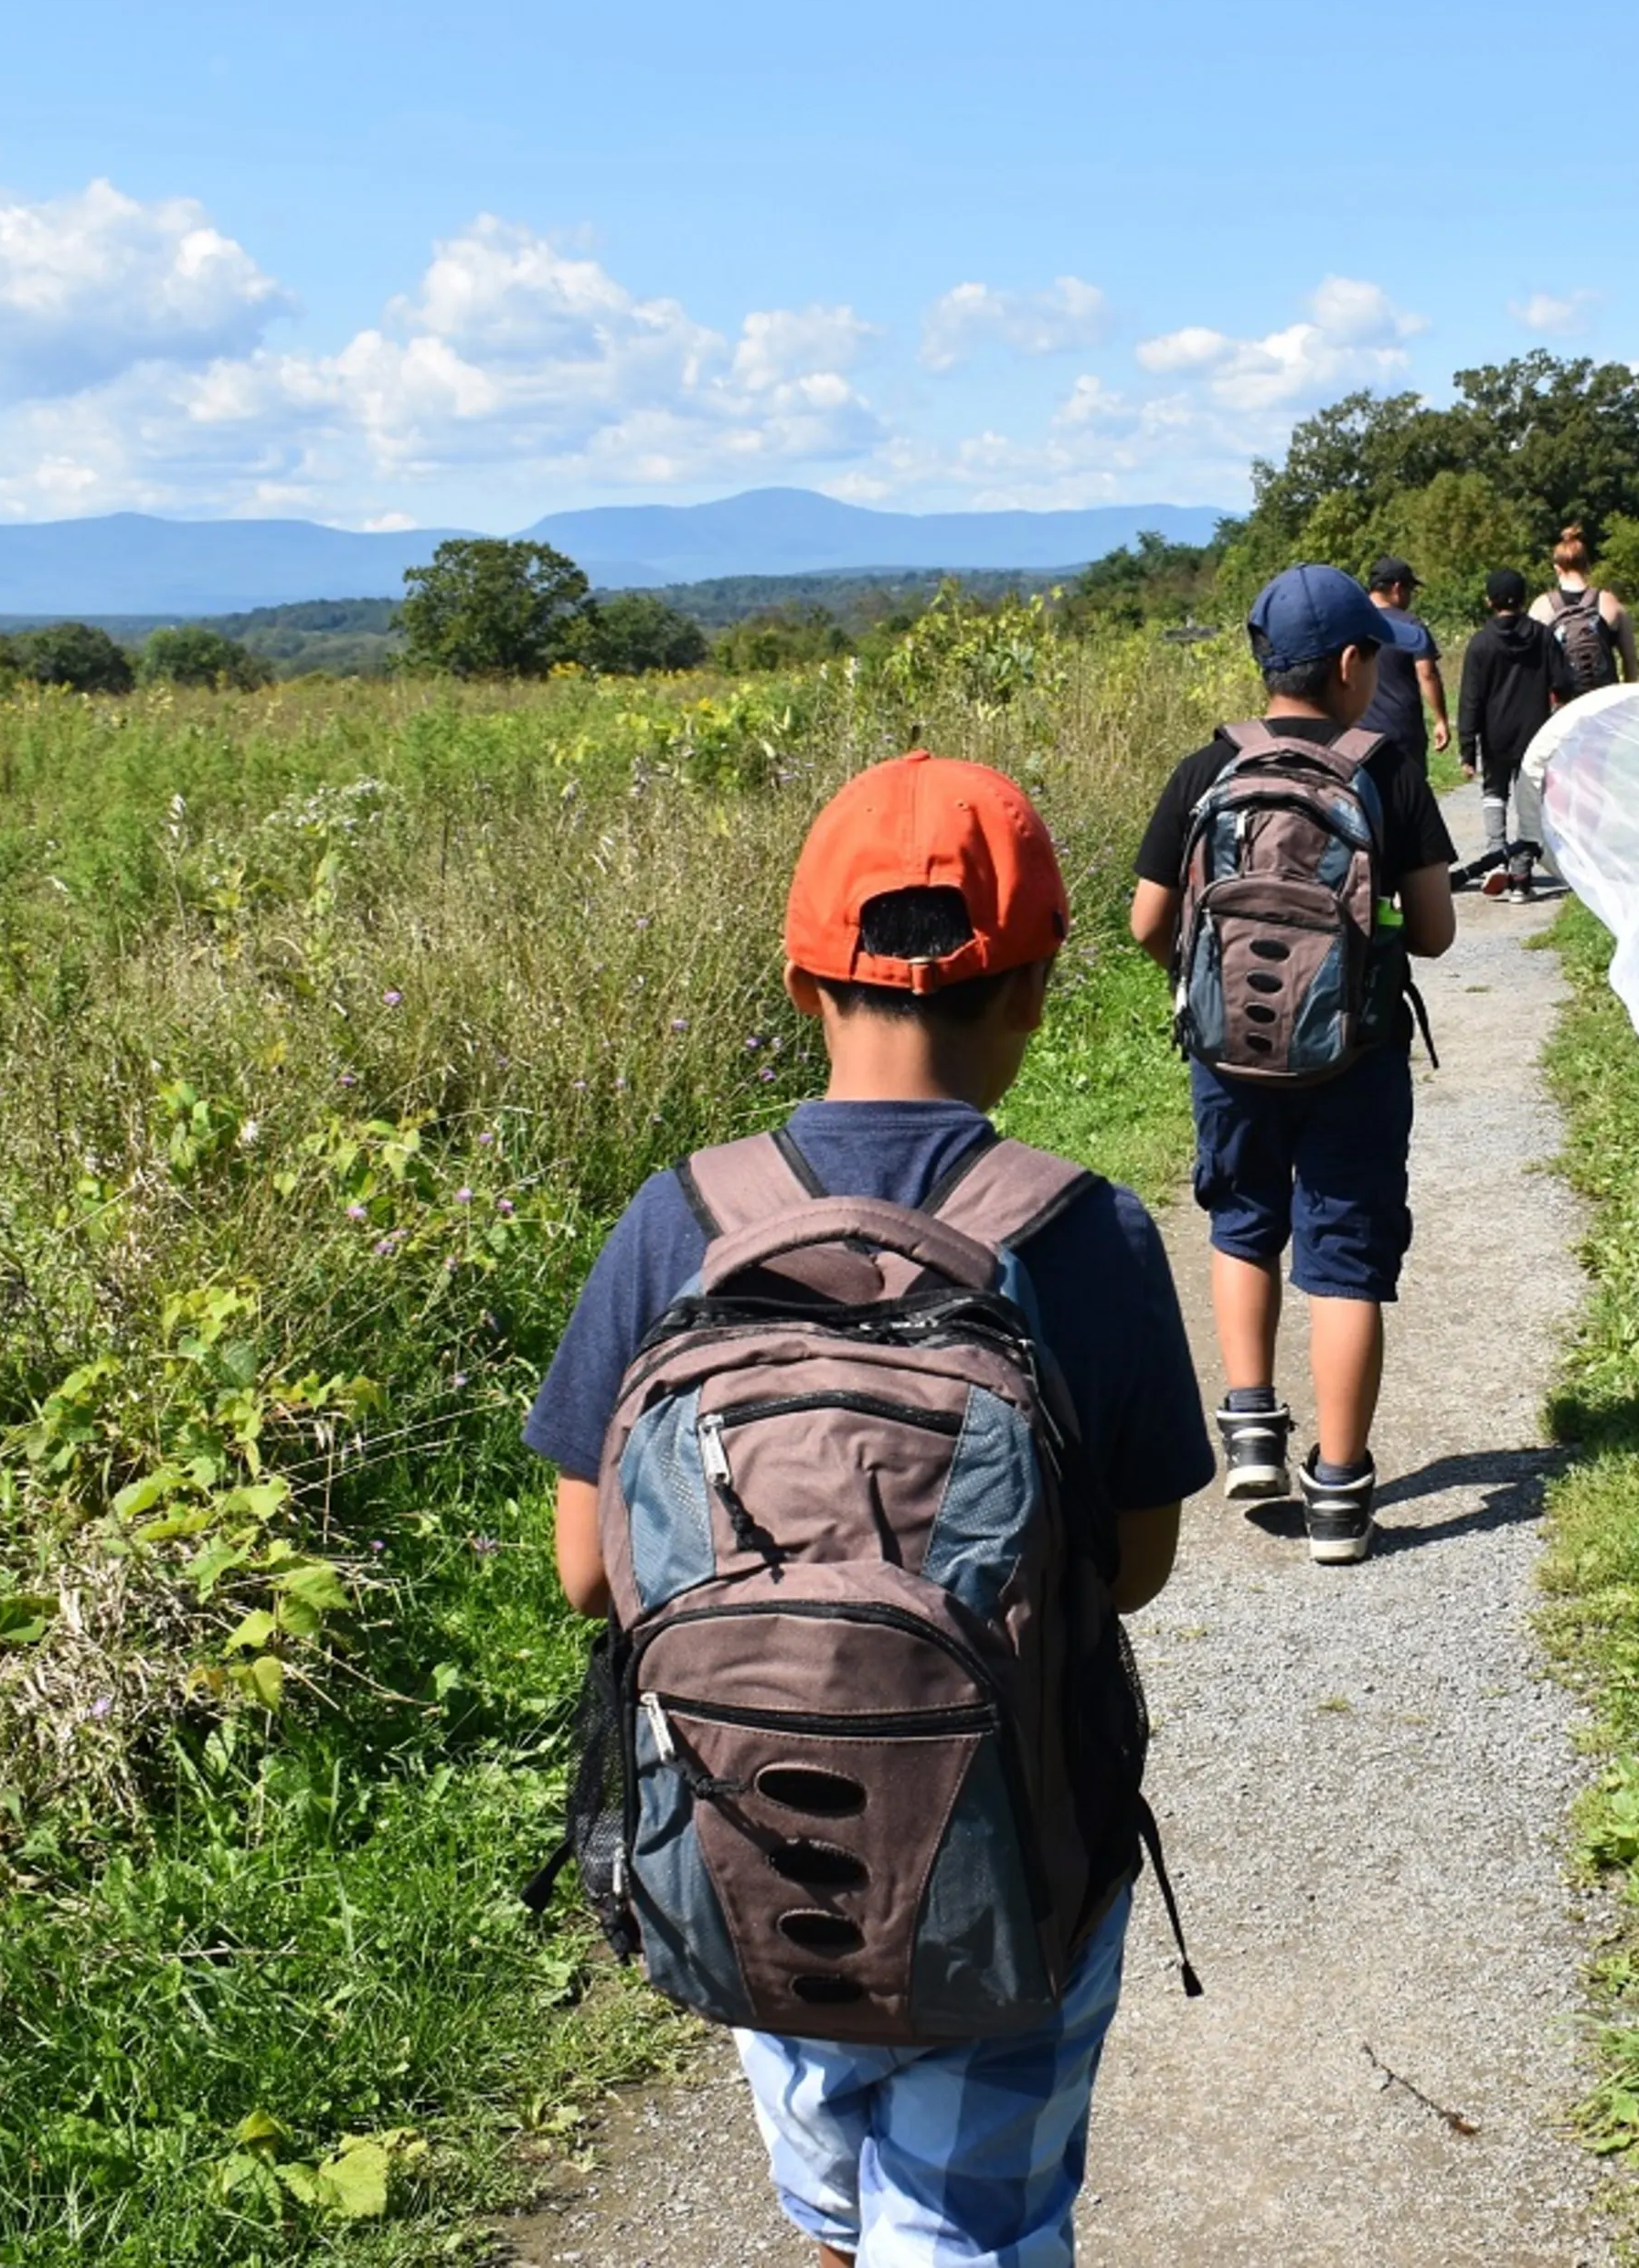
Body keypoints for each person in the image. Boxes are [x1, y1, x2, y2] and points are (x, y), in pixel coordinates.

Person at [529, 751, 1211, 2268]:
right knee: (968, 2232)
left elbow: (587, 1569)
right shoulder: (1085, 1230)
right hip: (1009, 1856)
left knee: (829, 2201)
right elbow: (1135, 1567)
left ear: (798, 984)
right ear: (1033, 991)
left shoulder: (679, 1218)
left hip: (747, 1843)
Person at [1129, 564, 1457, 1565]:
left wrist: (1210, 985)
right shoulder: (1386, 770)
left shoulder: (1206, 767)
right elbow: (1435, 931)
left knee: (1242, 1223)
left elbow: (1147, 921)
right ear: (1353, 662)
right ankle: (1341, 1498)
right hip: (1355, 1056)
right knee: (1346, 1257)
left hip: (1229, 1054)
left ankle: (1251, 1428)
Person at [1453, 564, 1581, 876]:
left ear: (1489, 601)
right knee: (1530, 799)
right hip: (1535, 734)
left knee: (1494, 794)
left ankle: (1496, 859)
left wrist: (1468, 749)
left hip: (1494, 736)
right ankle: (1522, 872)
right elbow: (1563, 683)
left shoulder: (1481, 643)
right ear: (1524, 599)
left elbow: (1471, 700)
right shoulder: (1543, 637)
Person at [1357, 555, 1452, 762]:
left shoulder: (1351, 623)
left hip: (1360, 731)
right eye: (1410, 590)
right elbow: (1427, 674)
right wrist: (1440, 720)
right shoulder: (1411, 625)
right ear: (1397, 587)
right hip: (1401, 728)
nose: (1410, 597)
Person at [1533, 520, 1639, 690]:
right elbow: (1630, 659)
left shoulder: (1542, 606)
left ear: (1557, 568)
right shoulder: (1610, 602)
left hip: (1565, 701)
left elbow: (1532, 662)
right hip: (1604, 698)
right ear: (1587, 566)